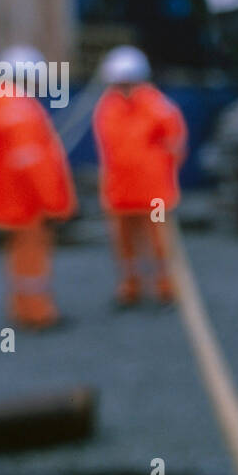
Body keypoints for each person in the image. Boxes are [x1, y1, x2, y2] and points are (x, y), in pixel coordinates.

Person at [0, 45, 77, 330]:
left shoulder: (0, 104)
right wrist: (55, 202)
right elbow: (34, 163)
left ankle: (23, 307)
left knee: (19, 251)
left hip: (10, 197)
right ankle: (38, 312)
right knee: (33, 253)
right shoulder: (21, 110)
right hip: (27, 200)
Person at [92, 46, 187, 306]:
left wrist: (160, 173)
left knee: (160, 243)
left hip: (153, 192)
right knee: (124, 244)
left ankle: (165, 287)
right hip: (119, 192)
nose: (123, 88)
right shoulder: (107, 107)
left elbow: (176, 145)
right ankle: (130, 287)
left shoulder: (157, 106)